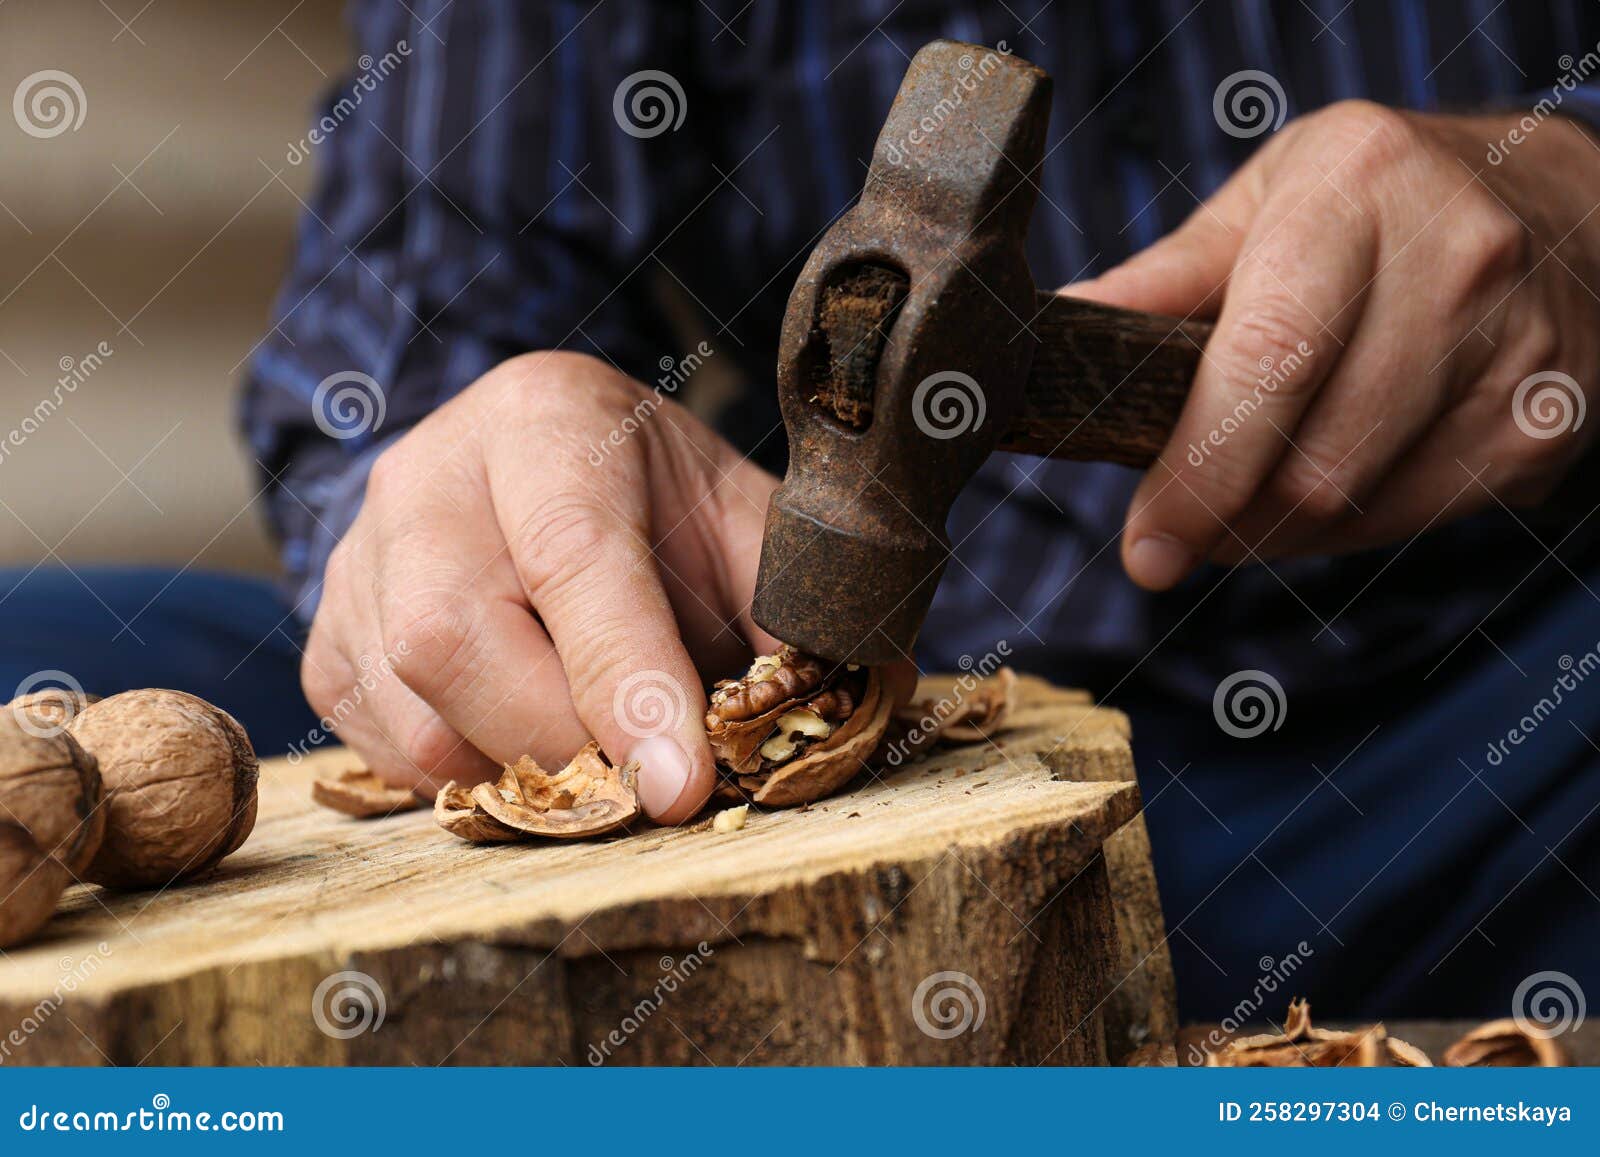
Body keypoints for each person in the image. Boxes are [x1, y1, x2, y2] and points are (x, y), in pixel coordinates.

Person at [20, 3, 1597, 1020]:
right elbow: (395, 330)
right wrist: (472, 474)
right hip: (855, 738)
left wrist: (1572, 203)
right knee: (41, 646)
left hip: (1488, 729)